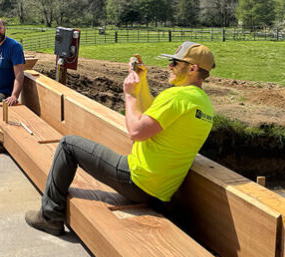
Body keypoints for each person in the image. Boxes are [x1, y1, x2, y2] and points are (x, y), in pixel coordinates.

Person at [25, 41, 216, 236]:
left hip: (136, 180)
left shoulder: (178, 97)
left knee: (67, 145)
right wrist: (141, 81)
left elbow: (136, 131)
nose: (169, 67)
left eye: (175, 63)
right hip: (161, 192)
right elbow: (150, 115)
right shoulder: (203, 104)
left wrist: (130, 96)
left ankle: (49, 217)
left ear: (192, 68)